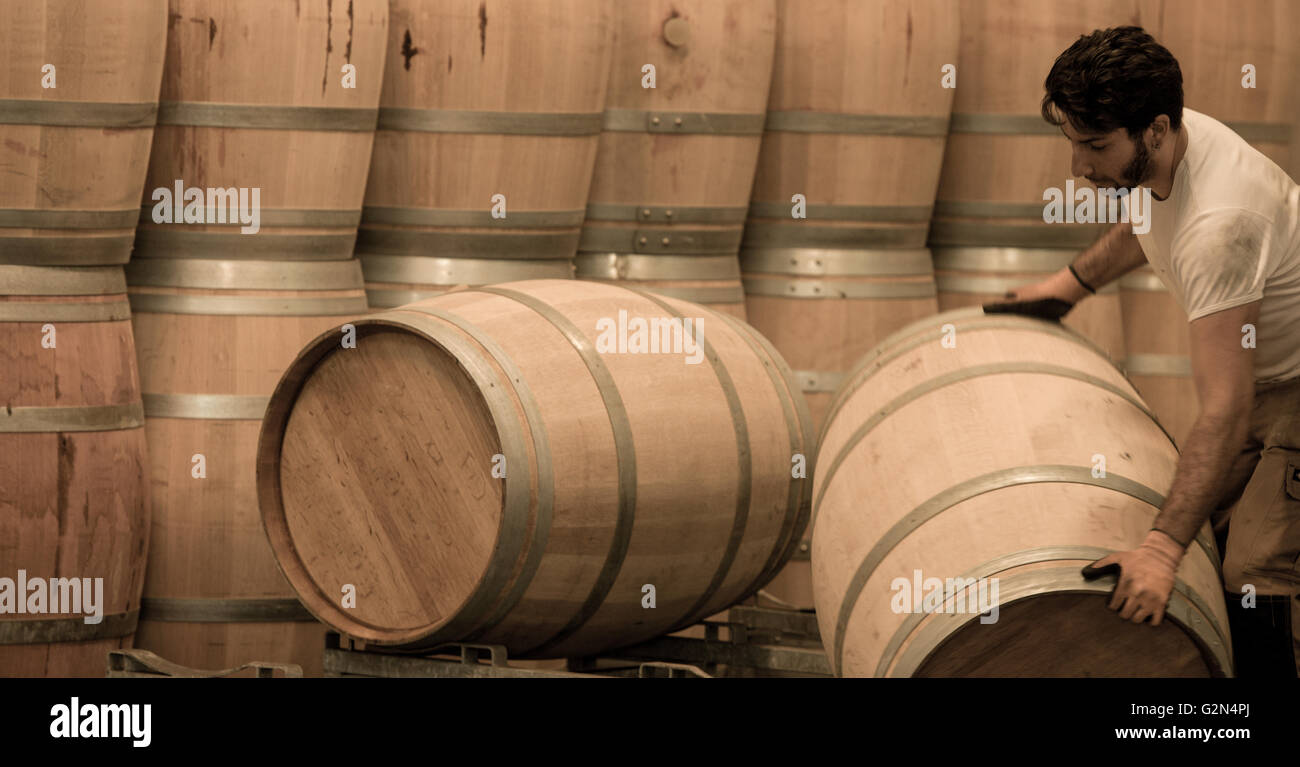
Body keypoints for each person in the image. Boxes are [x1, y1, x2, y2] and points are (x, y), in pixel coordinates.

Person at [985, 26, 1300, 677]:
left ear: (1154, 131)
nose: (1078, 169)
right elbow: (1147, 221)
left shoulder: (1222, 227)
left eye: (1094, 147)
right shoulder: (1173, 150)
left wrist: (1159, 551)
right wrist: (1070, 285)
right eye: (1074, 144)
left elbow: (1224, 409)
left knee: (1253, 570)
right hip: (1269, 379)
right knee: (1204, 542)